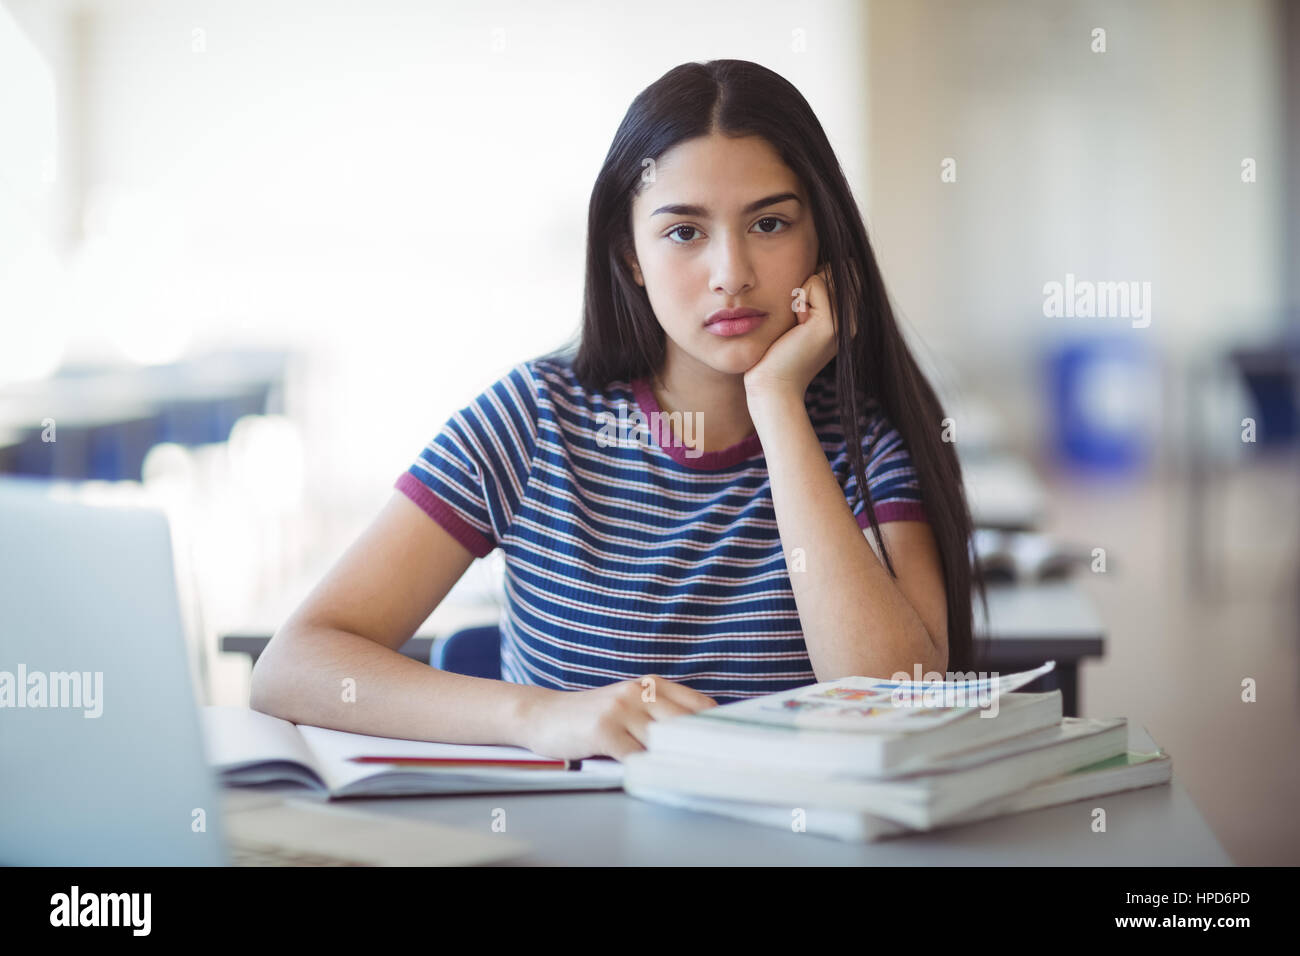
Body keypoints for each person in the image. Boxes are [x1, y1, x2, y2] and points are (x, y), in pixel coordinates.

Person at [251, 59, 980, 761]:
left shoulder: (868, 441)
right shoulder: (534, 419)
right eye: (684, 232)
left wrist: (777, 402)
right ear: (630, 255)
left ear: (821, 235)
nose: (732, 274)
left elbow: (898, 704)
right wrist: (538, 715)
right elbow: (294, 665)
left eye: (769, 224)